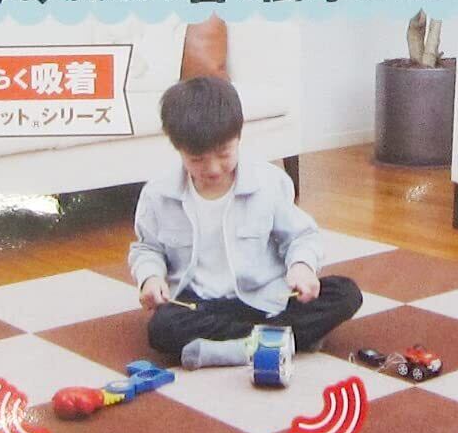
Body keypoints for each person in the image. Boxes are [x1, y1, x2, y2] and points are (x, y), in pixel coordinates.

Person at [130, 74, 362, 368]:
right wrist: (150, 278)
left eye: (223, 154)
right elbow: (147, 249)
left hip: (266, 299)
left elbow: (301, 237)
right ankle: (281, 339)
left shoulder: (269, 182)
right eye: (197, 159)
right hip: (199, 304)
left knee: (345, 293)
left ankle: (229, 347)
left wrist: (302, 267)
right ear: (178, 149)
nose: (213, 169)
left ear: (239, 137)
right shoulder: (158, 194)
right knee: (163, 328)